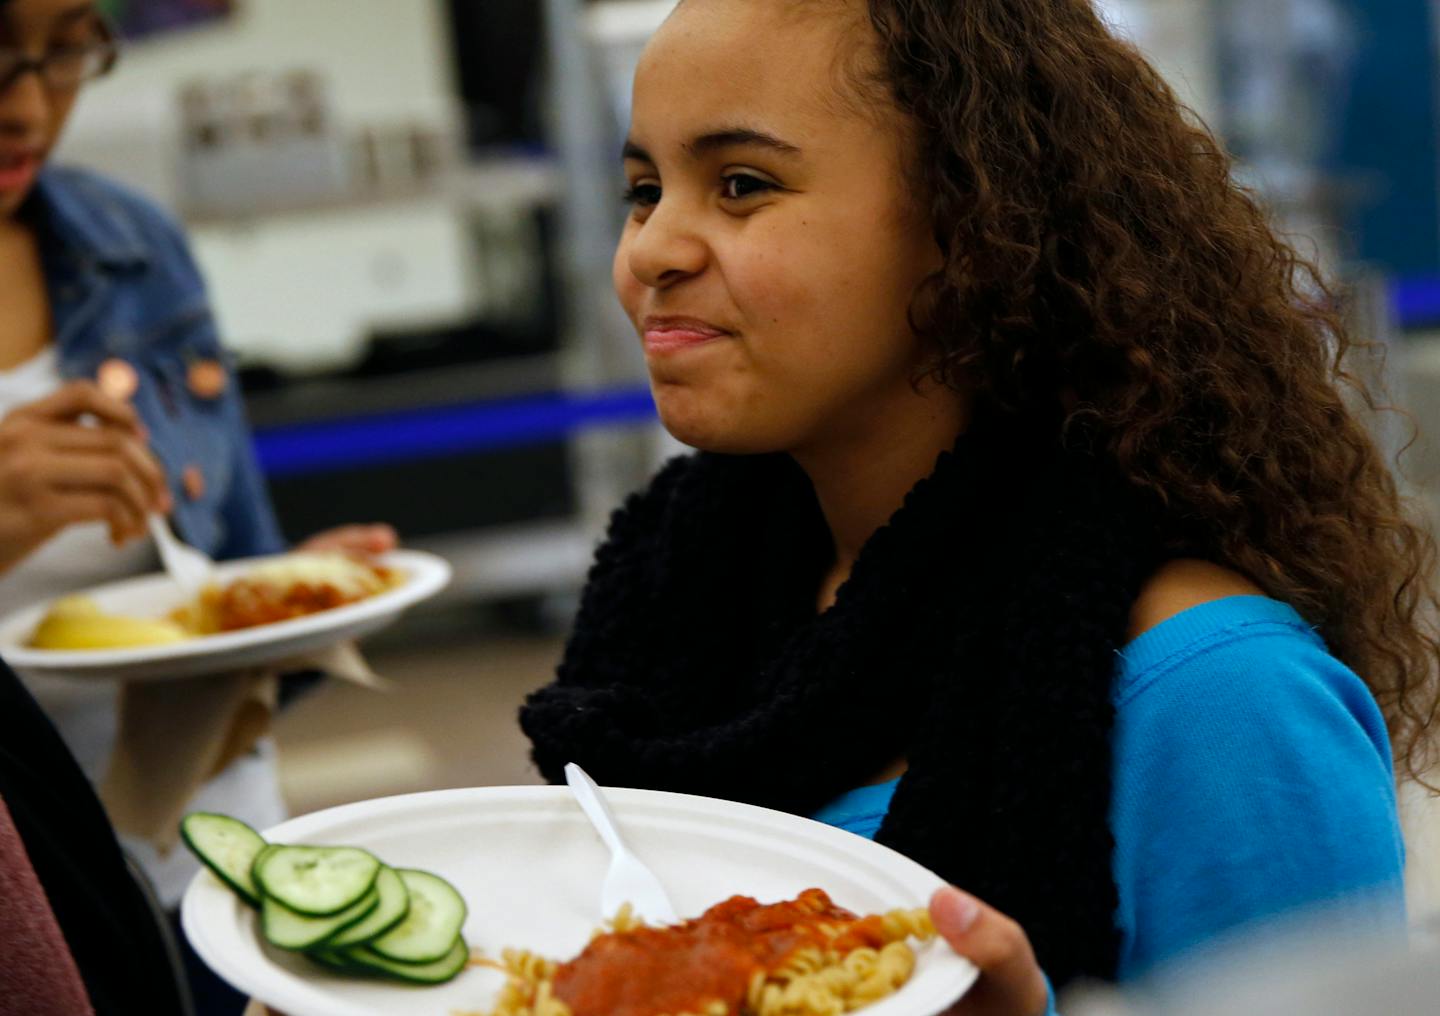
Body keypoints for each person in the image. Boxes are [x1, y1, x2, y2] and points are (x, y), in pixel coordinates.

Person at [520, 1, 1438, 1013]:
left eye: (742, 184)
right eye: (643, 190)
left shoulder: (1218, 696)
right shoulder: (688, 585)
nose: (653, 249)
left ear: (977, 223)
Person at [0, 0, 393, 1010]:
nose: (31, 106)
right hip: (31, 899)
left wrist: (288, 603)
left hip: (213, 855)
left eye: (68, 49)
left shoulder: (130, 245)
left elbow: (224, 567)